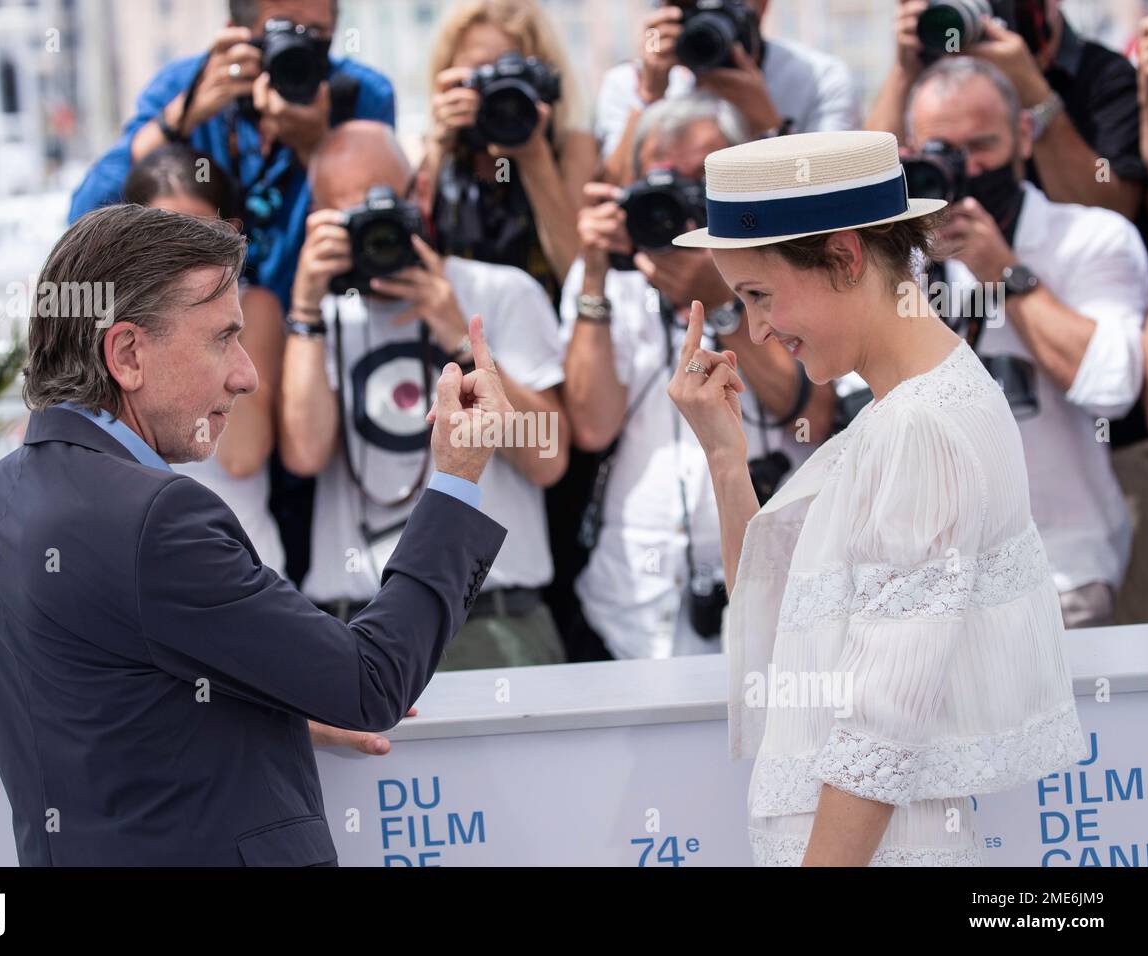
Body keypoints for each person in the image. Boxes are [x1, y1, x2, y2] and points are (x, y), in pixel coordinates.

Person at [0, 204, 511, 865]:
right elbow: (372, 683)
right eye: (222, 337)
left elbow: (109, 708)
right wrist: (456, 479)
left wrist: (272, 706)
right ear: (127, 354)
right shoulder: (156, 518)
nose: (246, 374)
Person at [669, 130, 1086, 866]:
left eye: (759, 295)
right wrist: (727, 460)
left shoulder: (919, 427)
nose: (758, 329)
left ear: (844, 255)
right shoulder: (916, 408)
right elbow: (774, 620)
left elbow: (880, 731)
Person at [280, 121, 570, 669]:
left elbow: (549, 460)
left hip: (491, 619)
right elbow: (304, 453)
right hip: (355, 620)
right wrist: (304, 312)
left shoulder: (499, 292)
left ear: (420, 192)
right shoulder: (320, 318)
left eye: (381, 208)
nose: (372, 235)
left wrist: (460, 336)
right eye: (347, 222)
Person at [560, 92, 836, 660]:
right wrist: (592, 273)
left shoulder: (787, 264)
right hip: (628, 605)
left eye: (704, 178)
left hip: (772, 586)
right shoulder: (612, 278)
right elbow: (591, 426)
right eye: (667, 179)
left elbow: (806, 412)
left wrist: (725, 300)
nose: (684, 200)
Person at [906, 57, 1148, 628]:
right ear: (912, 151)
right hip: (928, 585)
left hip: (1060, 571)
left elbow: (1112, 387)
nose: (966, 166)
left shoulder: (1090, 237)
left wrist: (1006, 273)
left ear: (1022, 134)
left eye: (982, 145)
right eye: (942, 149)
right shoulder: (899, 261)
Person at [69, 0, 395, 317]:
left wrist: (318, 150)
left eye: (317, 33)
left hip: (322, 323)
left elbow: (385, 238)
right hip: (200, 321)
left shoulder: (361, 97)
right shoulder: (184, 85)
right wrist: (179, 119)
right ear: (236, 33)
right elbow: (84, 222)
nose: (302, 47)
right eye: (286, 30)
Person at [123, 144, 288, 580]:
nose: (179, 254)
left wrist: (215, 325)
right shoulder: (105, 323)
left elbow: (242, 455)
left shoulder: (256, 310)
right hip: (141, 574)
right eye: (161, 235)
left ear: (230, 232)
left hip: (244, 568)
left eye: (196, 234)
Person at [868, 0, 1148, 239]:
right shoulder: (932, 71)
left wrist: (1036, 95)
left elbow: (1114, 214)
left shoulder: (1104, 75)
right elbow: (868, 194)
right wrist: (906, 70)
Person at [417, 0, 598, 301]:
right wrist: (437, 147)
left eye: (511, 74)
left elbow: (581, 281)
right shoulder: (427, 150)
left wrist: (533, 155)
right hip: (455, 336)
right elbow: (400, 260)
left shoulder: (572, 149)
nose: (498, 93)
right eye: (482, 73)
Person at [595, 0, 860, 185]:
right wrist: (648, 95)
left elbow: (830, 201)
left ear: (762, 5)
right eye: (689, 7)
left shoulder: (818, 78)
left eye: (726, 6)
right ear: (663, 10)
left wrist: (769, 127)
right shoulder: (626, 82)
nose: (706, 23)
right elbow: (614, 196)